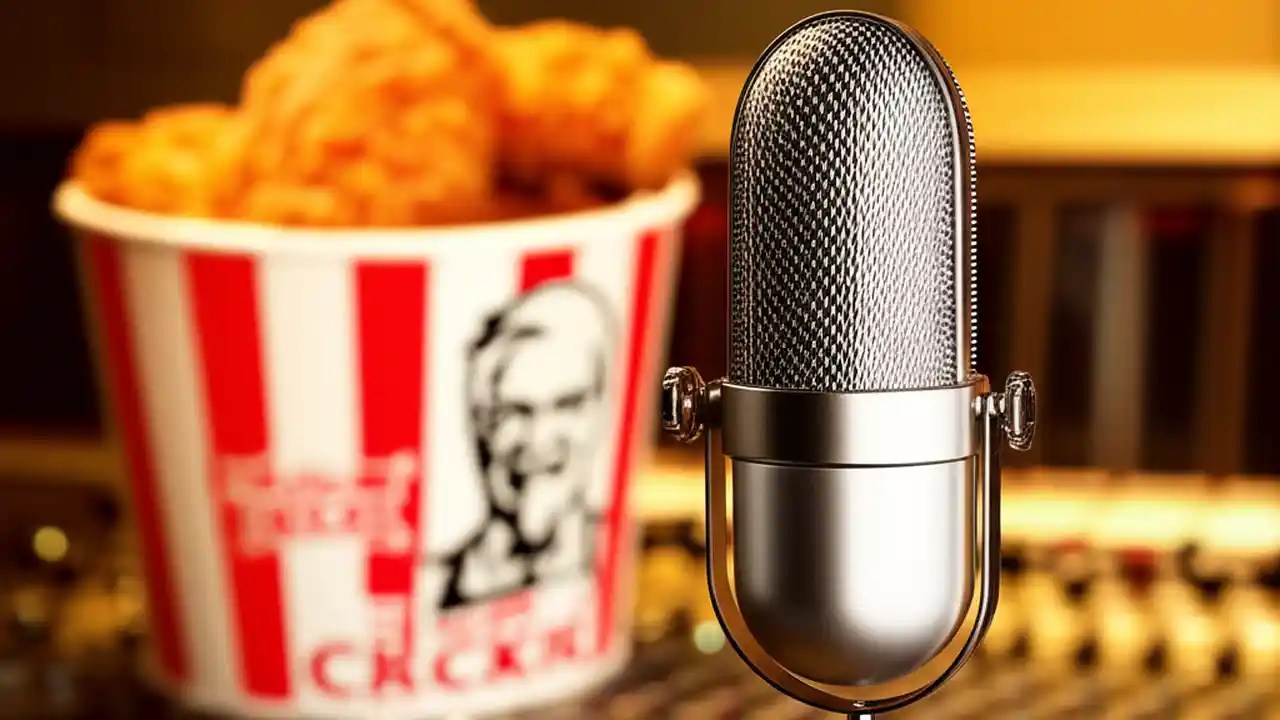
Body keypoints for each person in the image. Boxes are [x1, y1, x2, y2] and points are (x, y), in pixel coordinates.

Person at [433, 281, 614, 610]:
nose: (539, 438)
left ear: (599, 412)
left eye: (567, 404)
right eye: (515, 411)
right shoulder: (427, 589)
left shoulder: (625, 559)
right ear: (480, 425)